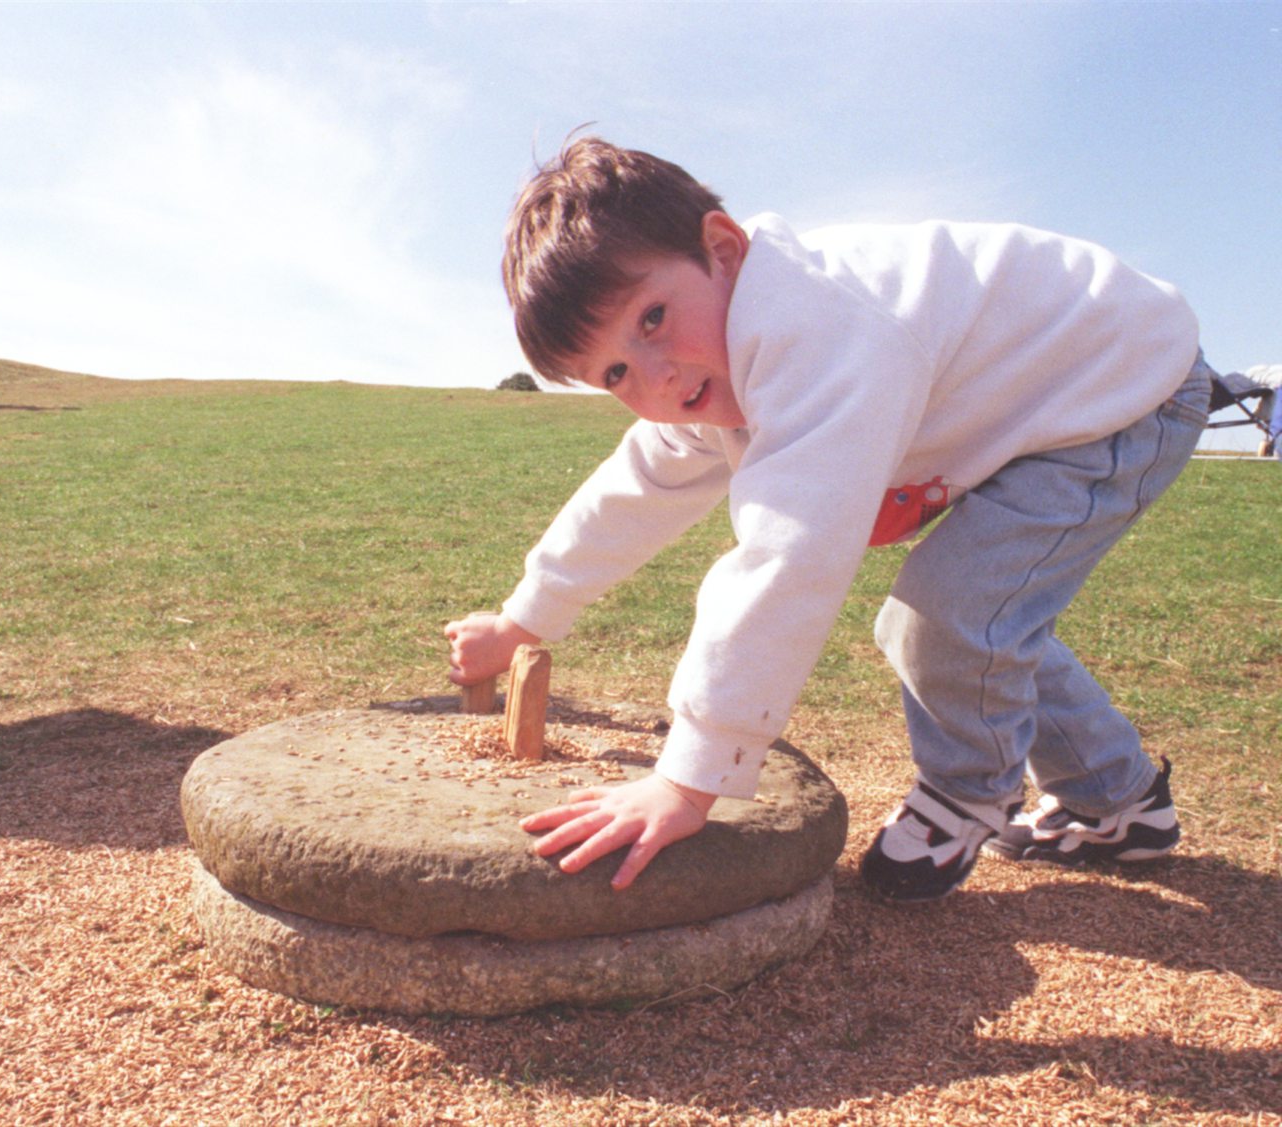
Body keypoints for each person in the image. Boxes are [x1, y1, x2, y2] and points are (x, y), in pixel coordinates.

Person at [445, 137, 1209, 903]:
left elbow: (787, 558)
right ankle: (1119, 803)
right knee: (976, 617)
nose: (658, 377)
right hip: (1034, 401)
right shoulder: (704, 371)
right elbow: (632, 491)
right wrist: (523, 620)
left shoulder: (815, 333)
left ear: (724, 250)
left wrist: (689, 780)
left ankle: (969, 790)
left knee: (948, 613)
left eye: (651, 318)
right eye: (615, 373)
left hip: (1121, 388)